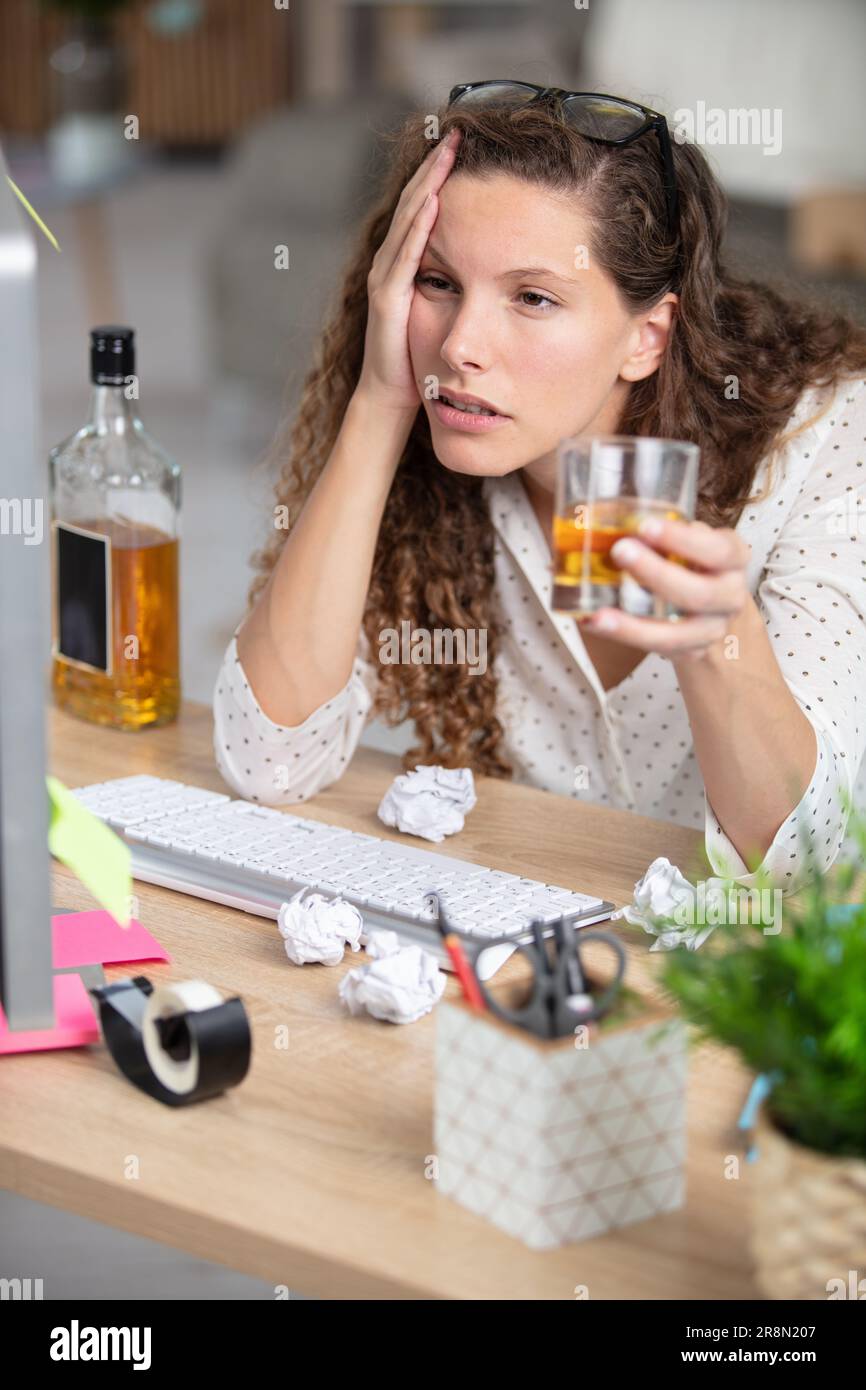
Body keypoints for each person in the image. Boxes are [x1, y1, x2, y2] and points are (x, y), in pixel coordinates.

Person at [212, 87, 866, 891]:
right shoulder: (429, 450)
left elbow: (811, 871)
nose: (460, 348)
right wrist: (380, 401)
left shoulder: (823, 440)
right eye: (437, 281)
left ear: (645, 338)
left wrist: (718, 643)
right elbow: (265, 762)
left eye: (532, 297)